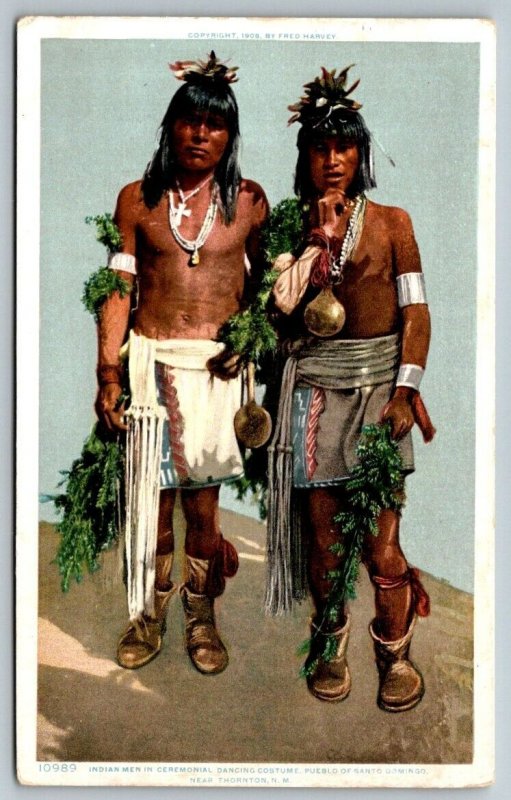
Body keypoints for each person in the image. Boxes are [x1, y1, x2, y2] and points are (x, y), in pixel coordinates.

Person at [266, 66, 434, 712]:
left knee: (381, 543)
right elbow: (274, 320)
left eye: (343, 147)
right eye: (319, 147)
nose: (331, 160)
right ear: (304, 156)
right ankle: (328, 644)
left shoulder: (393, 224)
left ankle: (395, 656)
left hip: (378, 396)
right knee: (324, 538)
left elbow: (416, 313)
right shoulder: (289, 227)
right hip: (312, 392)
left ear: (360, 154)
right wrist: (314, 250)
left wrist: (405, 391)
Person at [95, 52, 268, 673]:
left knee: (203, 507)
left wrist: (248, 339)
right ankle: (149, 613)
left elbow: (269, 290)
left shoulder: (249, 201)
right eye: (190, 121)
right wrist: (108, 374)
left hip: (217, 373)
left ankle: (201, 616)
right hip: (149, 366)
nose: (200, 134)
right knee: (153, 504)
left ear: (230, 135)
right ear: (170, 125)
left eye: (214, 125)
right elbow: (117, 289)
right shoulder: (137, 201)